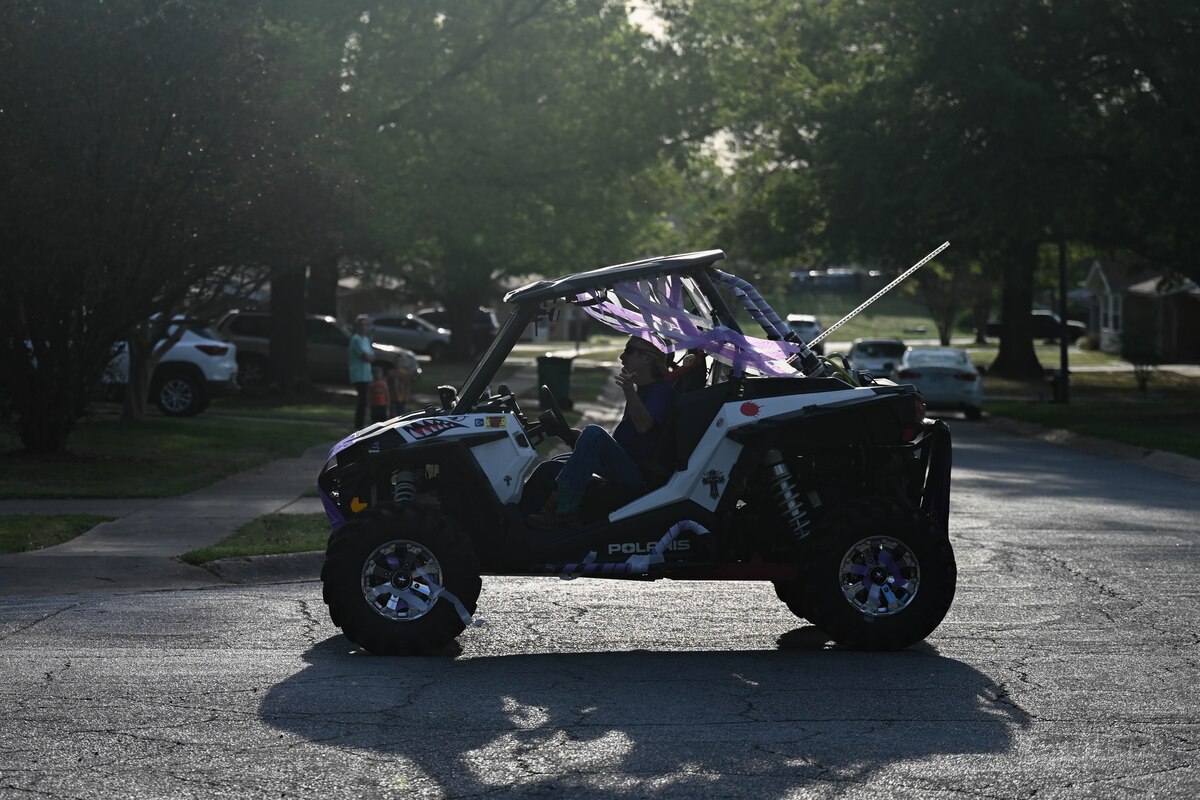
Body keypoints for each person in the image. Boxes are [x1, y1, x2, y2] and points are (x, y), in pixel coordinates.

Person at [528, 335, 676, 529]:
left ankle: (564, 510)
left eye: (629, 351)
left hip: (639, 473)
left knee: (594, 433)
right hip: (624, 463)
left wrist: (629, 391)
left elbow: (644, 426)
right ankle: (519, 527)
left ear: (647, 358)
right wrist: (564, 432)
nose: (622, 357)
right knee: (548, 469)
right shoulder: (642, 390)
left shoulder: (662, 392)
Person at [348, 315, 375, 429]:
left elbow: (372, 357)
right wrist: (369, 356)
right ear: (356, 326)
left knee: (364, 400)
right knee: (362, 400)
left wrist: (369, 357)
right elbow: (366, 357)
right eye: (361, 325)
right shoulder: (356, 339)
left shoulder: (366, 339)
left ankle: (361, 423)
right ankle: (359, 425)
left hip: (366, 375)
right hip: (358, 374)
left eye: (365, 325)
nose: (363, 327)